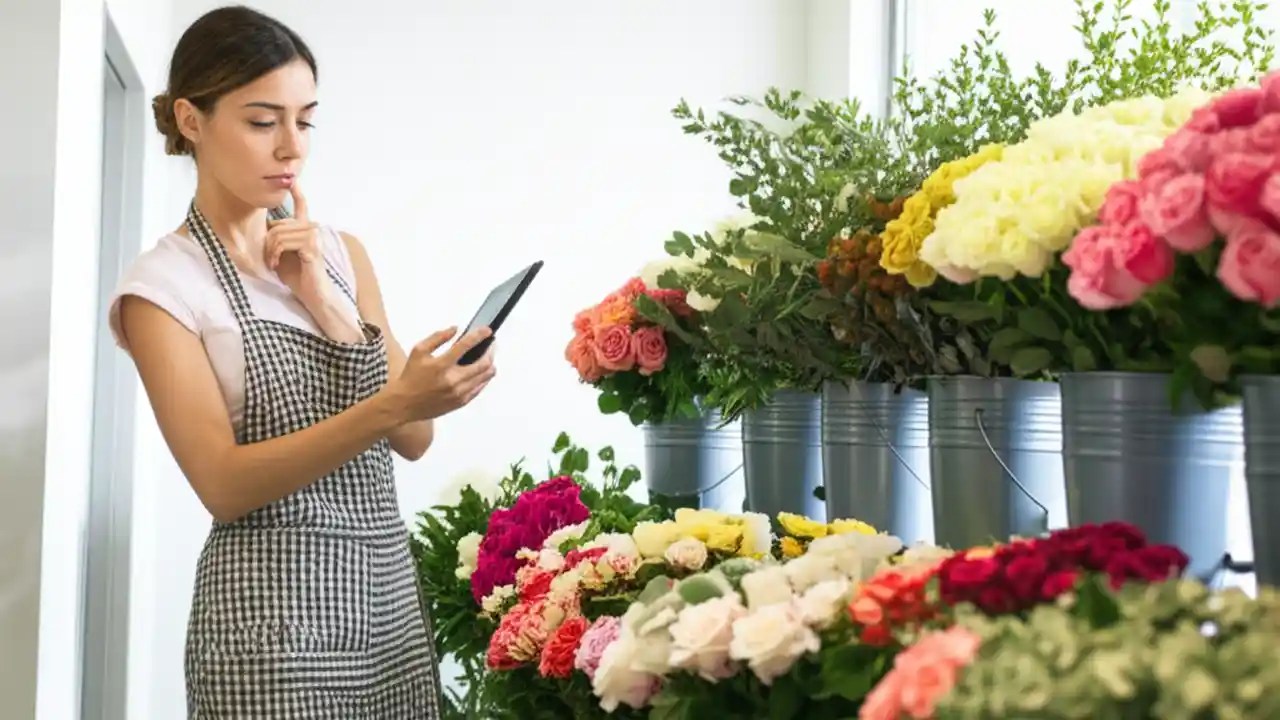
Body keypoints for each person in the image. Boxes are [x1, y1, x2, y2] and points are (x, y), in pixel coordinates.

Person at [108, 6, 493, 718]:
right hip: (271, 630)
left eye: (305, 120)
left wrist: (319, 294)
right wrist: (396, 402)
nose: (292, 147)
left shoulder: (342, 256)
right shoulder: (162, 288)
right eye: (262, 121)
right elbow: (222, 484)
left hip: (385, 615)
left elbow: (413, 440)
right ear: (191, 121)